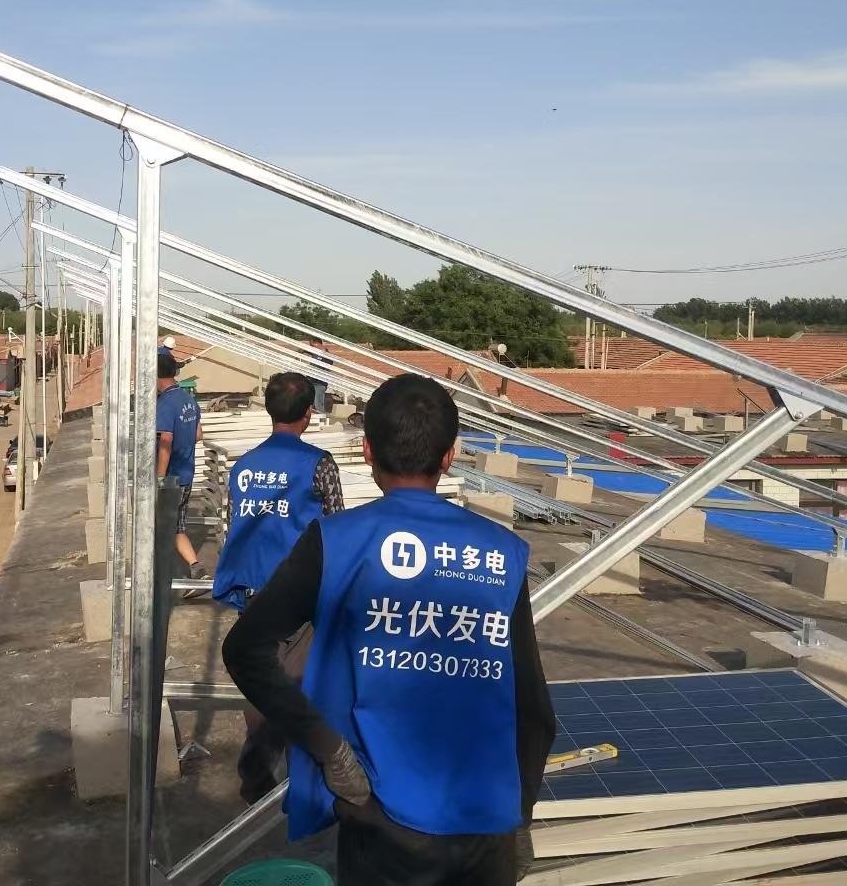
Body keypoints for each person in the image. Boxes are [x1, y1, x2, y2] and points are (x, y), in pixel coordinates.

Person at [223, 374, 555, 886]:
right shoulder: (502, 553)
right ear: (450, 456)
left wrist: (329, 750)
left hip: (379, 814)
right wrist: (521, 807)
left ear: (367, 450)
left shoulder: (336, 542)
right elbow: (532, 707)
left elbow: (246, 649)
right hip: (484, 821)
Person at [213, 372, 346, 803]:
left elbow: (233, 525)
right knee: (297, 685)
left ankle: (259, 779)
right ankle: (283, 781)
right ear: (308, 413)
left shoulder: (245, 466)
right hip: (296, 596)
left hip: (253, 590)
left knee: (259, 678)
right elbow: (336, 527)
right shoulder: (318, 464)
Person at [156, 350, 204, 581]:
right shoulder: (188, 400)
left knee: (166, 527)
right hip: (187, 472)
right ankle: (194, 568)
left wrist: (160, 479)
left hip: (172, 477)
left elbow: (165, 441)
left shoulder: (165, 404)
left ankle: (185, 572)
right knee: (177, 527)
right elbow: (198, 435)